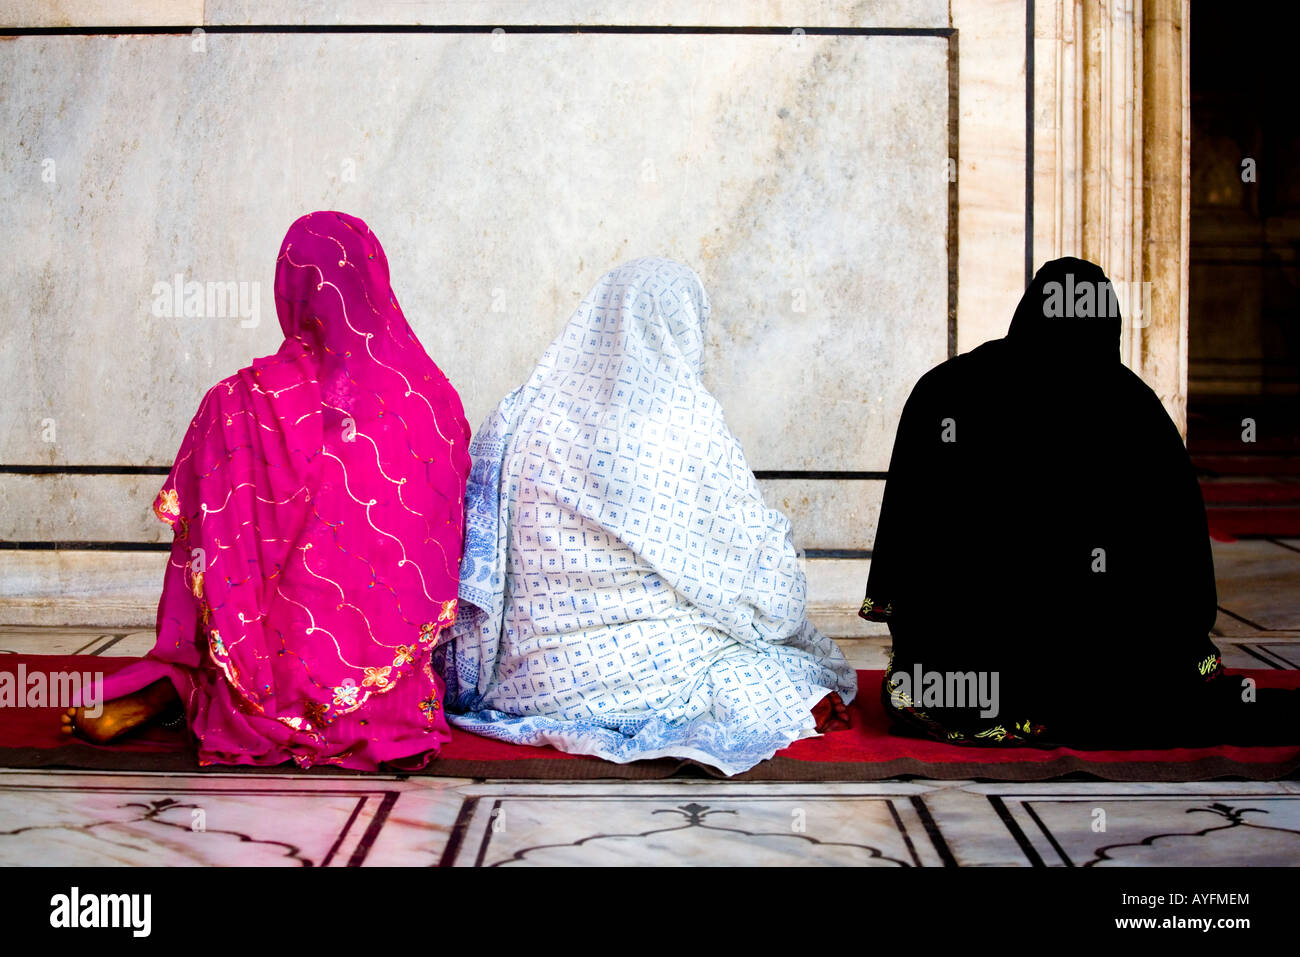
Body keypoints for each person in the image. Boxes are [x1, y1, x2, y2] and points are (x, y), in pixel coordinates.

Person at [62, 211, 472, 770]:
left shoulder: (238, 404)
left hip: (263, 682)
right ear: (377, 283)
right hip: (390, 703)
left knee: (221, 478)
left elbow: (211, 546)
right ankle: (364, 709)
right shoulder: (432, 404)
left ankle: (184, 679)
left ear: (291, 289)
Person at [441, 257, 857, 775]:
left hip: (524, 679)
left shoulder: (516, 414)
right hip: (645, 675)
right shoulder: (683, 425)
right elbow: (760, 582)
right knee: (793, 670)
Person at [861, 256, 1295, 747]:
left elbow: (907, 534)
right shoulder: (1134, 407)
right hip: (1112, 674)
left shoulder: (944, 389)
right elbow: (1182, 563)